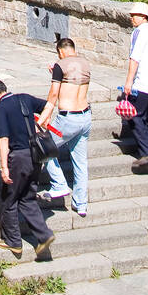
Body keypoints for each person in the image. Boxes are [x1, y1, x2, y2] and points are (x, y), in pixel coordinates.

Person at [0, 79, 55, 260]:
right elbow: (49, 104)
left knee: (8, 199)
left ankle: (13, 242)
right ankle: (44, 235)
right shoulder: (25, 98)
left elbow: (3, 139)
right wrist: (41, 124)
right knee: (27, 198)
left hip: (19, 158)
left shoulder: (1, 108)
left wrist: (4, 168)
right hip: (36, 157)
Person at [36, 37, 92, 215]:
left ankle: (59, 185)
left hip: (67, 120)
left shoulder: (60, 65)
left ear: (60, 51)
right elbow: (72, 82)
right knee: (80, 162)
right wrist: (56, 73)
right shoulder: (85, 64)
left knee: (44, 148)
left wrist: (42, 118)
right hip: (85, 117)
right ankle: (80, 204)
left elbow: (54, 94)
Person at [121, 3, 148, 172]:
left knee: (134, 116)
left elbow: (135, 58)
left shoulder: (140, 32)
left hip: (144, 83)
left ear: (143, 16)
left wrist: (129, 82)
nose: (131, 18)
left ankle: (147, 152)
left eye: (134, 15)